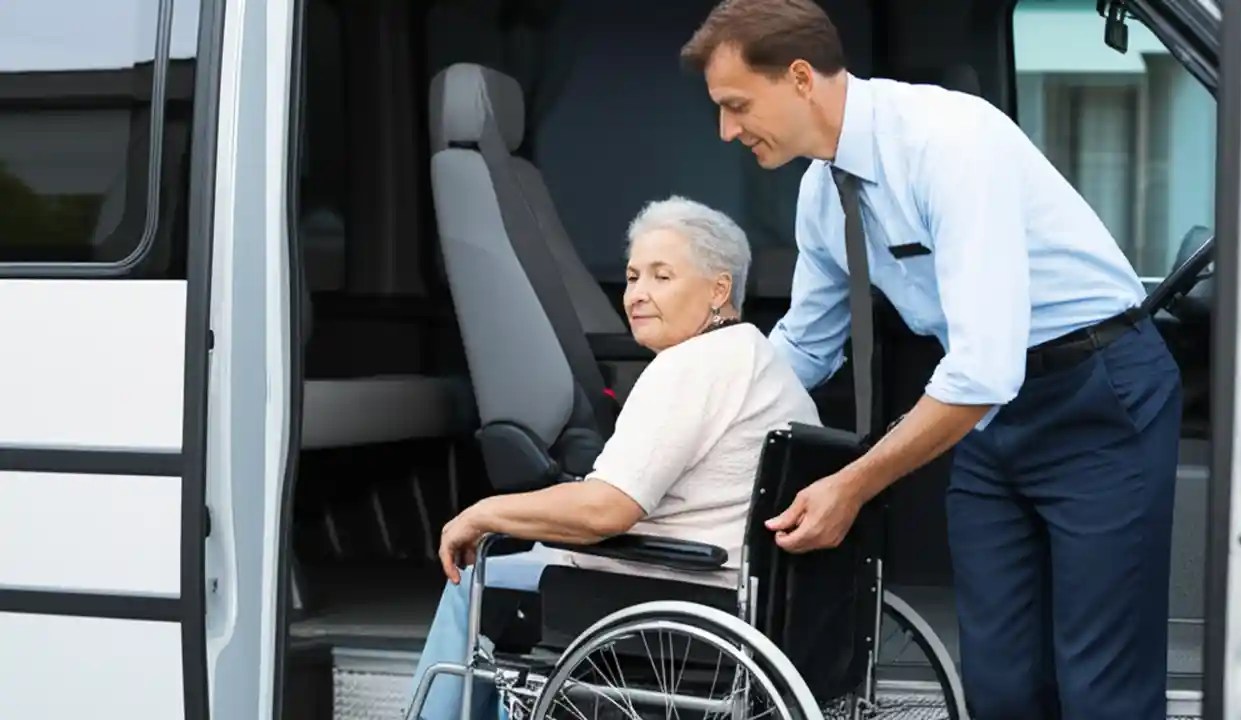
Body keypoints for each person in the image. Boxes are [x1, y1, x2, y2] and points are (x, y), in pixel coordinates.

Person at [679, 2, 1183, 719]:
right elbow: (804, 348)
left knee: (1102, 688)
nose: (727, 131)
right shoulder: (822, 194)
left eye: (735, 106)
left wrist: (850, 486)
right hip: (988, 425)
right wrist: (691, 416)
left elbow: (984, 369)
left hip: (1096, 397)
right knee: (1000, 684)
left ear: (798, 78)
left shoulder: (948, 142)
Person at [404, 195, 821, 719]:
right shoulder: (760, 360)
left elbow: (606, 511)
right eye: (631, 277)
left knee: (476, 582)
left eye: (661, 277)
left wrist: (482, 513)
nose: (638, 295)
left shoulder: (690, 367)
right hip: (746, 601)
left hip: (677, 599)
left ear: (719, 288)